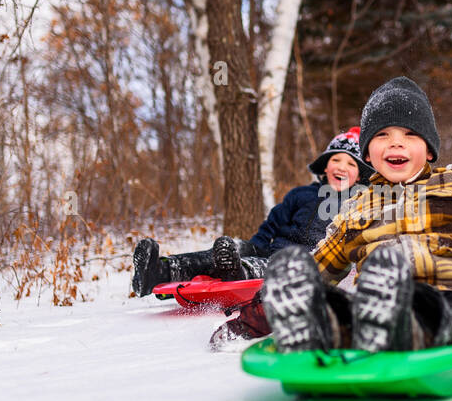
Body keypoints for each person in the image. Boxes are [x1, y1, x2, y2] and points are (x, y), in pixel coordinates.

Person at [209, 76, 452, 351]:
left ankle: (385, 324)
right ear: (368, 152)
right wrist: (252, 319)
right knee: (337, 301)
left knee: (442, 318)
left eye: (410, 134)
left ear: (429, 150)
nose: (396, 142)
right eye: (382, 135)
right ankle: (323, 323)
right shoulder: (359, 206)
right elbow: (322, 266)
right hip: (374, 304)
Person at [131, 128, 371, 298]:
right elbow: (273, 223)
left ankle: (238, 272)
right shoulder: (301, 194)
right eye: (336, 160)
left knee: (274, 264)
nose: (342, 167)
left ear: (359, 175)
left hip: (307, 260)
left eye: (351, 164)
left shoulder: (359, 201)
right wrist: (252, 246)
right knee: (233, 247)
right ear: (325, 166)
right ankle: (160, 271)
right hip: (270, 248)